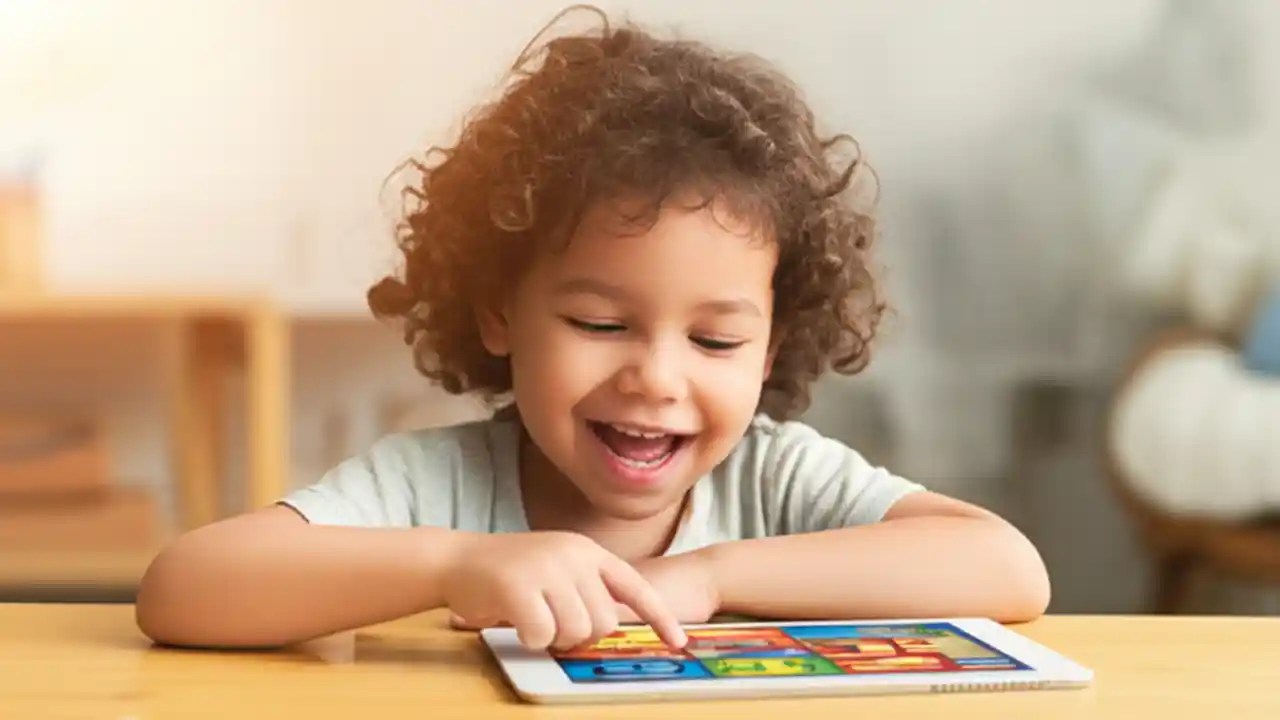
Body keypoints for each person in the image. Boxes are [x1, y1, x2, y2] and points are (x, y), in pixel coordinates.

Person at [135, 6, 1049, 653]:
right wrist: (457, 563)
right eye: (601, 322)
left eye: (717, 341)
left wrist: (714, 577)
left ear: (771, 345)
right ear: (499, 309)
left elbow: (1007, 570)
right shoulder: (440, 487)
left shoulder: (776, 479)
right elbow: (182, 588)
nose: (656, 377)